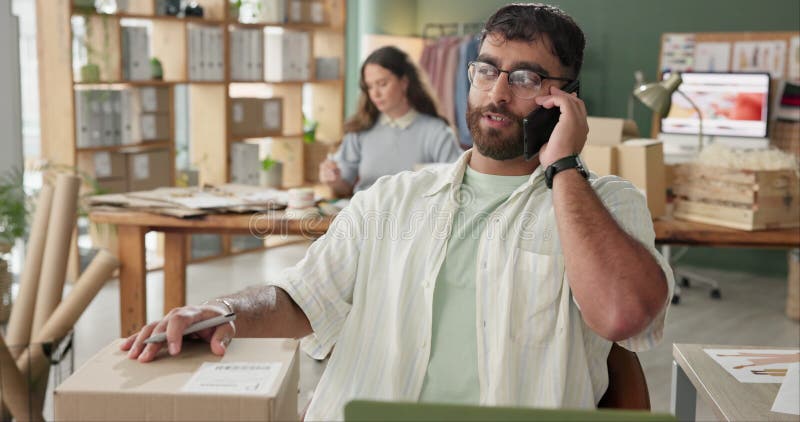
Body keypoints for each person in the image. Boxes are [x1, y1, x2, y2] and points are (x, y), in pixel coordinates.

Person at [123, 4, 673, 420]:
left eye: (526, 78)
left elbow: (624, 314)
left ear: (566, 98)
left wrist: (564, 167)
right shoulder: (393, 197)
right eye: (487, 71)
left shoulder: (605, 202)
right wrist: (223, 310)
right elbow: (299, 296)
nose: (498, 92)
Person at [318, 46, 462, 197]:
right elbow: (343, 188)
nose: (375, 94)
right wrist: (333, 180)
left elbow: (456, 185)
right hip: (366, 216)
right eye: (370, 87)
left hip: (417, 218)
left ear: (404, 82)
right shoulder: (360, 129)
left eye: (382, 84)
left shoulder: (437, 132)